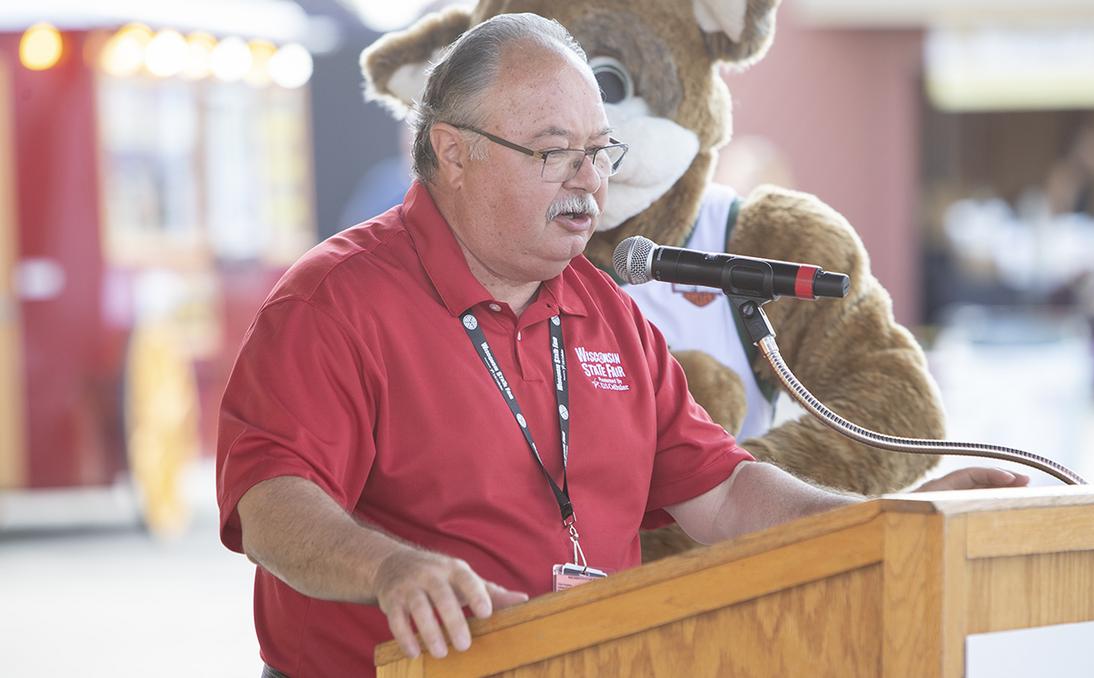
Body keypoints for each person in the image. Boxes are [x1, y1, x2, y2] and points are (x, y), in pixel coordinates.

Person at [216, 13, 1028, 678]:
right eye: (552, 150)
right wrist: (390, 571)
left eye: (599, 151)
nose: (589, 181)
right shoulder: (335, 301)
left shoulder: (605, 307)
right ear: (452, 152)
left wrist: (893, 522)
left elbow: (729, 497)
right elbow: (271, 504)